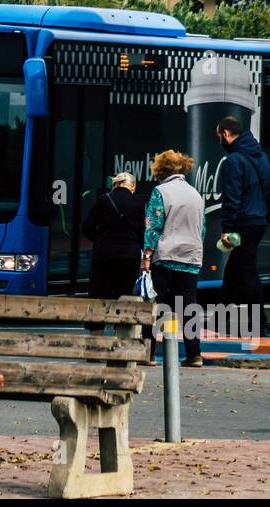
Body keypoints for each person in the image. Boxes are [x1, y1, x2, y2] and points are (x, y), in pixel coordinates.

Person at [141, 150, 205, 366]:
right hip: (191, 257)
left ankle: (148, 353)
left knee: (156, 305)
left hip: (166, 255)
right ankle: (194, 354)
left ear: (160, 170)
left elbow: (153, 226)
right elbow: (202, 228)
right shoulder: (195, 194)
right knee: (189, 306)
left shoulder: (160, 192)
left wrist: (147, 253)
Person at [216, 115, 270, 339]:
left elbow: (232, 197)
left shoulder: (233, 161)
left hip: (242, 224)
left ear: (226, 134)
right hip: (258, 221)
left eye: (219, 136)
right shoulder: (261, 157)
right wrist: (262, 211)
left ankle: (260, 324)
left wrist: (226, 228)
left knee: (248, 273)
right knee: (233, 272)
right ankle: (219, 321)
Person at [80, 172, 146, 302]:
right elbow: (142, 232)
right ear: (132, 186)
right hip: (129, 256)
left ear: (115, 185)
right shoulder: (139, 202)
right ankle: (119, 321)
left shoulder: (103, 199)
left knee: (98, 294)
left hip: (104, 254)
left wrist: (99, 240)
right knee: (123, 294)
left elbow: (86, 227)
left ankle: (96, 322)